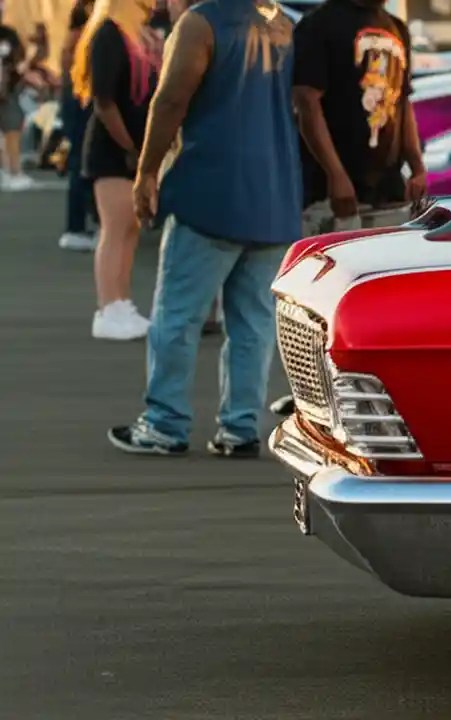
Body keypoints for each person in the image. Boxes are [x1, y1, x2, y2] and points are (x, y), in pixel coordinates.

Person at [112, 0, 301, 457]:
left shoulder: (202, 23)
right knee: (252, 325)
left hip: (212, 190)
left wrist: (147, 172)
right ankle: (239, 428)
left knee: (178, 315)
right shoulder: (282, 26)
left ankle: (164, 422)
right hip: (274, 194)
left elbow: (172, 97)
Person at [292, 0, 427, 237]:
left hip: (389, 193)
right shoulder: (318, 25)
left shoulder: (396, 27)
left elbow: (402, 101)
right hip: (334, 197)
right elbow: (307, 103)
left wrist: (417, 166)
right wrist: (336, 175)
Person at [71, 0, 163, 340]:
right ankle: (108, 307)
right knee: (113, 229)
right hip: (112, 149)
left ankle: (122, 303)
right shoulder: (108, 33)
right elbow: (104, 101)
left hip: (134, 149)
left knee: (130, 229)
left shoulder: (139, 34)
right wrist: (130, 147)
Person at [57, 0, 98, 250]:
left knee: (86, 162)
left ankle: (85, 223)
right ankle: (76, 227)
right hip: (81, 99)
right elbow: (67, 59)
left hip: (81, 97)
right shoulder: (82, 31)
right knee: (80, 163)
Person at [0, 0, 34, 191]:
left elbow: (20, 59)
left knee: (12, 130)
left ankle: (14, 170)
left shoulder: (9, 35)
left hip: (8, 92)